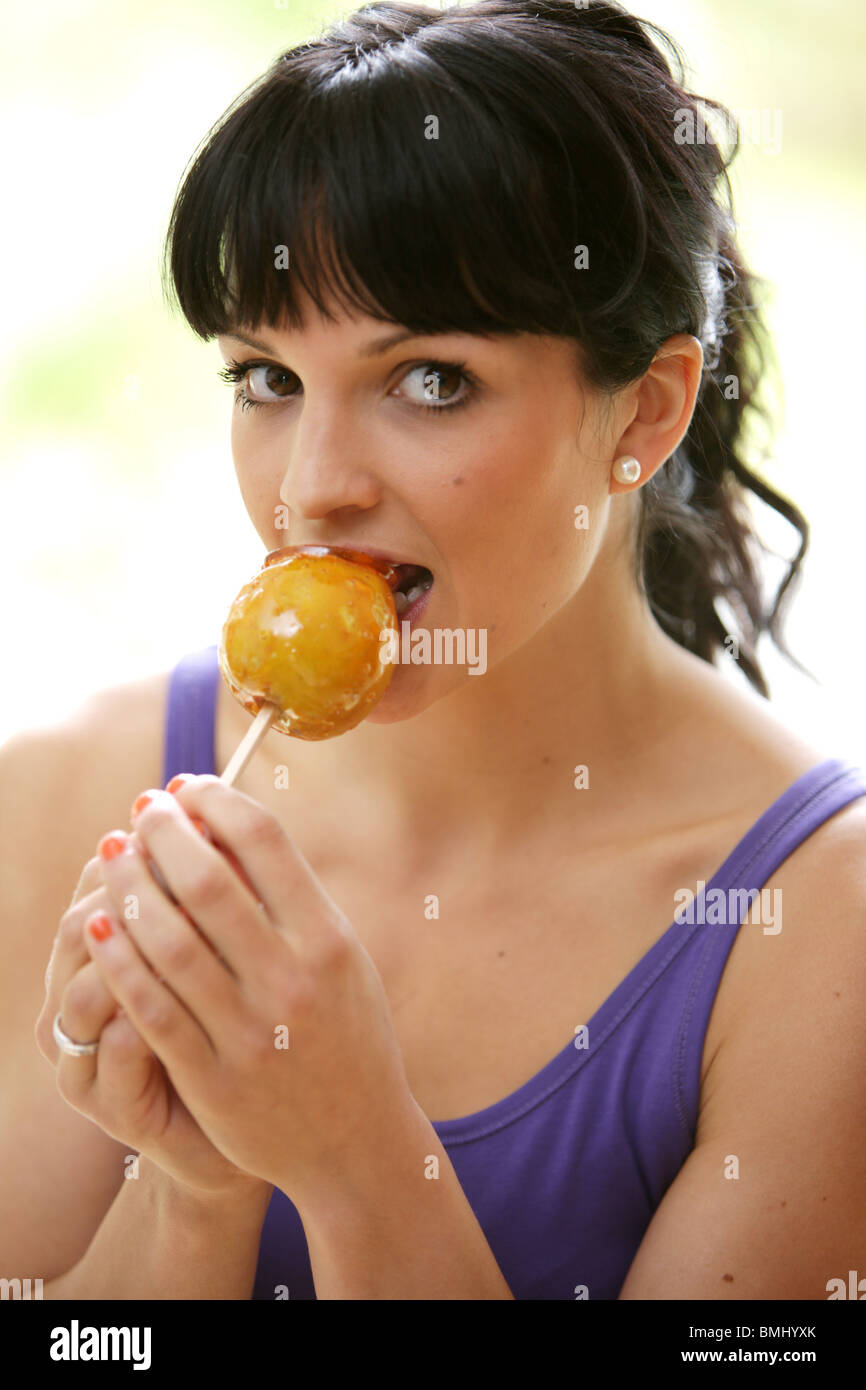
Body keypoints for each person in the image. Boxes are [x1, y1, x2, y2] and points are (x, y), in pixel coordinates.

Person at [2, 0, 864, 1301]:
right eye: (266, 377)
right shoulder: (59, 797)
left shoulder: (816, 937)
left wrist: (358, 1159)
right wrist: (196, 1190)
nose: (312, 488)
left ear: (643, 410)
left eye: (431, 380)